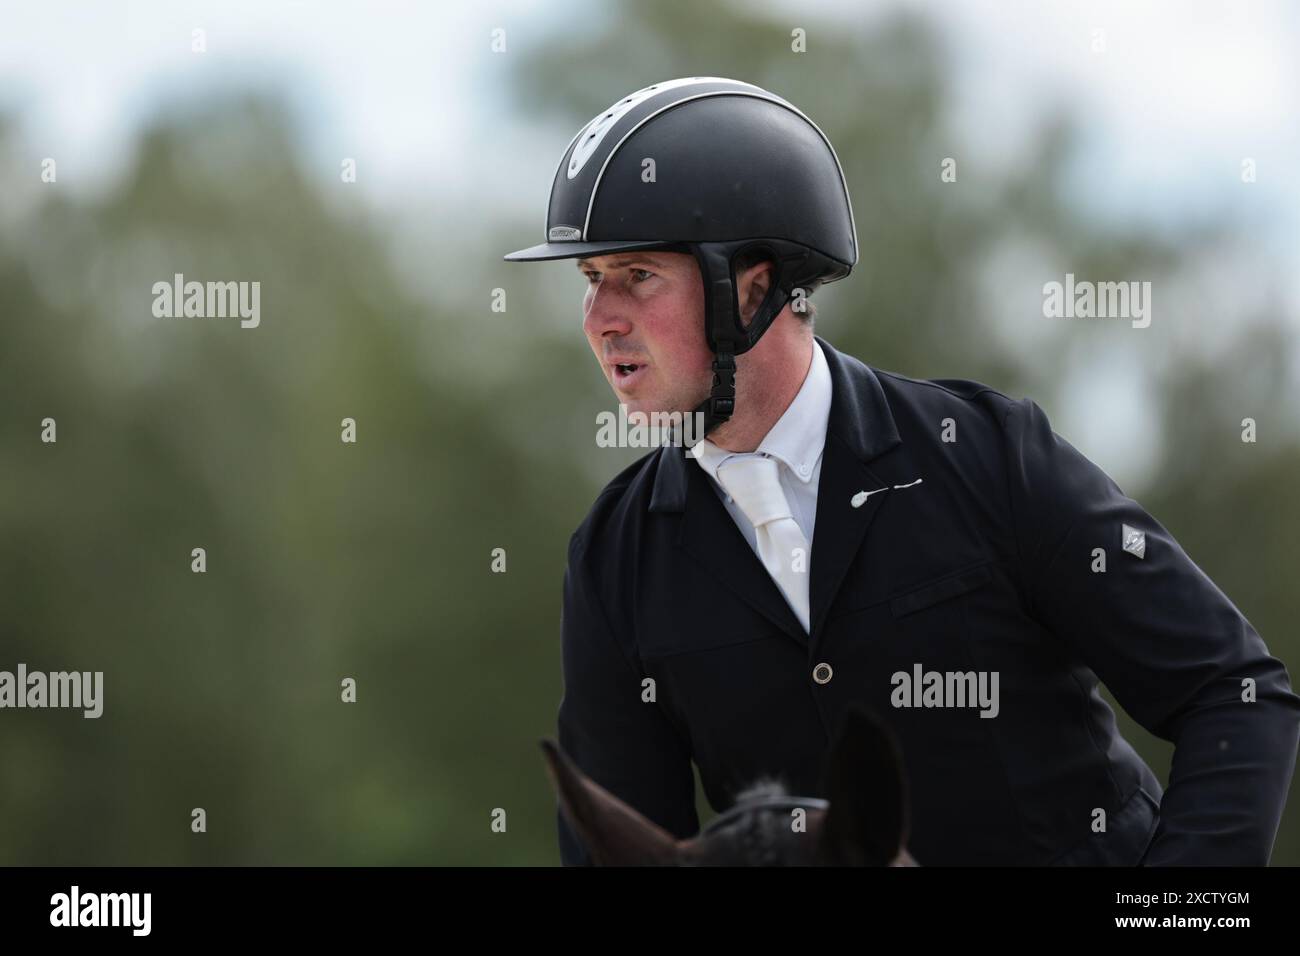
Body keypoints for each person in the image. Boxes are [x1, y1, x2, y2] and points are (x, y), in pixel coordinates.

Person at [504, 76, 1300, 865]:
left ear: (753, 289)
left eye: (637, 275)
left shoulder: (987, 453)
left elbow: (1234, 693)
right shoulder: (613, 558)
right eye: (589, 280)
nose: (600, 319)